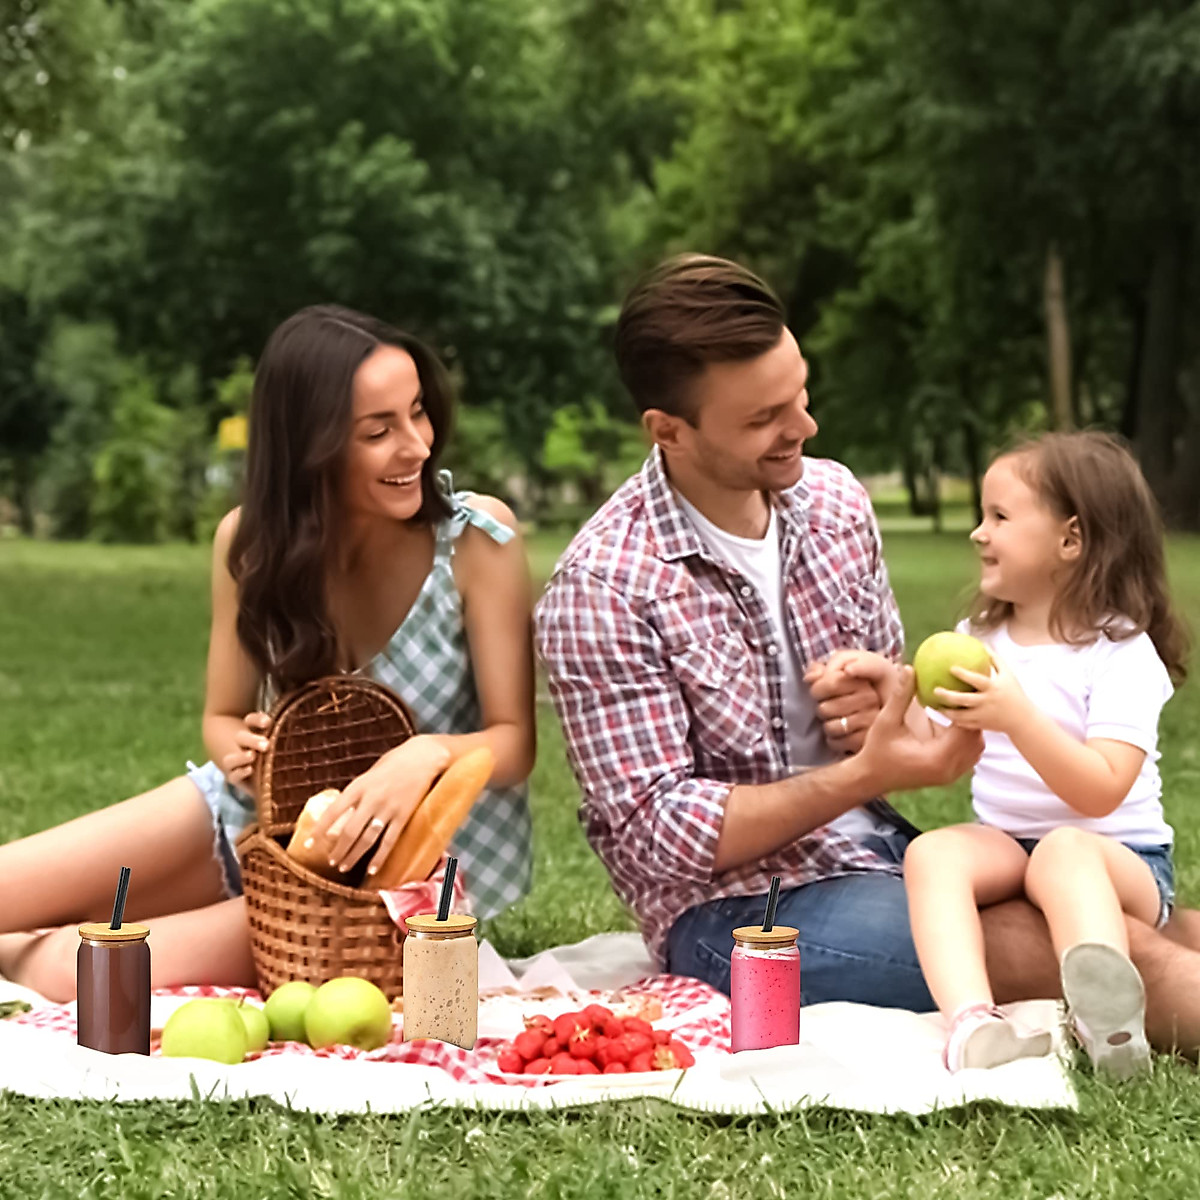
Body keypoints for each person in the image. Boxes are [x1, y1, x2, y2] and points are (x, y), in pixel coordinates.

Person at [536, 254, 1200, 1056]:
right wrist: (865, 774)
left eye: (801, 395)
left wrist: (901, 702)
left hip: (878, 847)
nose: (804, 429)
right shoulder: (604, 585)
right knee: (1070, 949)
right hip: (740, 908)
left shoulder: (835, 505)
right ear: (668, 431)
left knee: (1106, 911)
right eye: (762, 419)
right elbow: (658, 834)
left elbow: (904, 727)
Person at [0, 305, 536, 1001]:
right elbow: (222, 715)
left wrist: (425, 754)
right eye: (379, 431)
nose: (417, 446)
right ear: (311, 444)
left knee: (69, 968)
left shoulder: (477, 540)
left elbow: (514, 744)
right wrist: (241, 749)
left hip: (394, 880)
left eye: (418, 414)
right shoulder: (250, 543)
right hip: (261, 818)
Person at [903, 433, 1189, 1077]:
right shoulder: (976, 640)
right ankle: (974, 1021)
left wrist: (1019, 716)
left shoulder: (1119, 652)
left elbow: (1100, 790)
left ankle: (1111, 1029)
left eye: (1000, 517)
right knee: (934, 852)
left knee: (1064, 850)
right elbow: (923, 741)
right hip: (1012, 845)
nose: (979, 534)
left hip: (1119, 858)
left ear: (1071, 540)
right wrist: (887, 690)